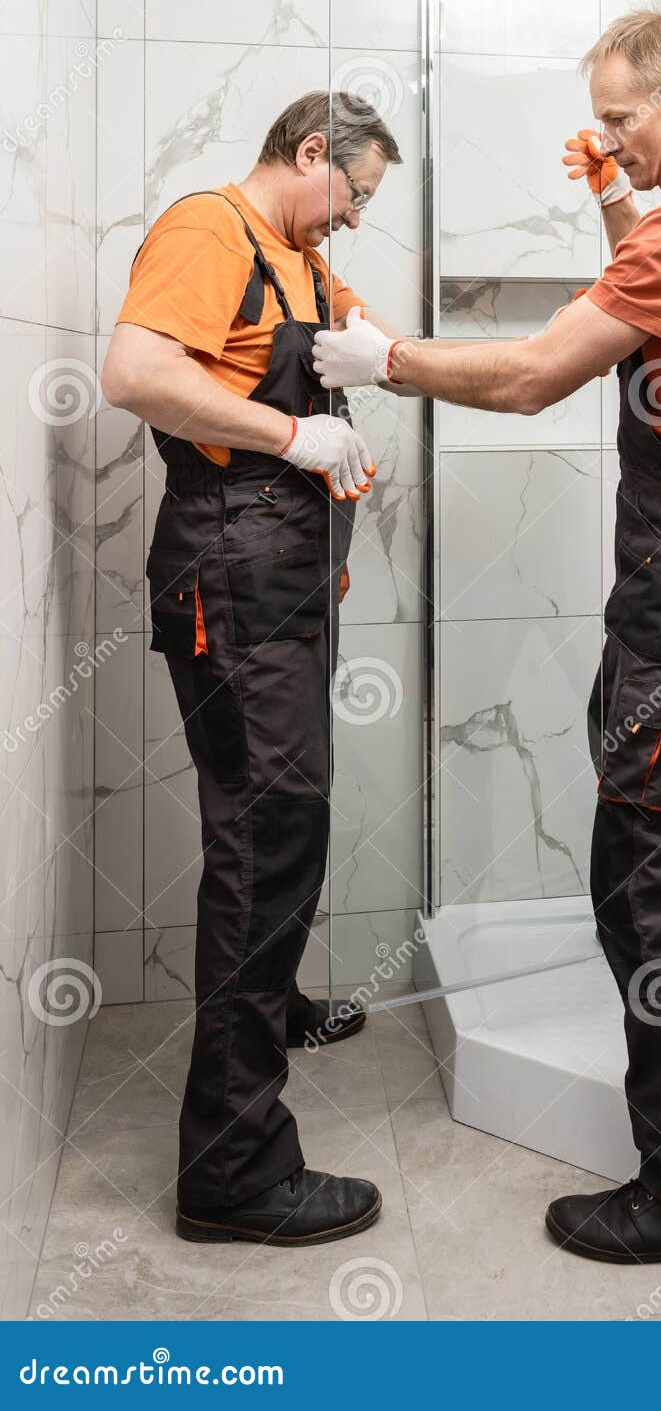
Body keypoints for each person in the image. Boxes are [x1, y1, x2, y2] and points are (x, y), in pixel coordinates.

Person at [310, 10, 661, 1265]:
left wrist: (389, 361)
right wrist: (608, 203)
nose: (605, 137)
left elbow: (541, 372)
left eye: (621, 117)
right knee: (641, 772)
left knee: (635, 875)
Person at [101, 91, 405, 1248]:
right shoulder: (208, 229)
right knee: (266, 833)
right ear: (310, 151)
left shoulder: (298, 260)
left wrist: (373, 372)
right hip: (230, 575)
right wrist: (291, 434)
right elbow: (133, 371)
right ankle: (231, 1168)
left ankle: (270, 1003)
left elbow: (374, 347)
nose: (355, 218)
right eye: (355, 193)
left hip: (281, 585)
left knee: (282, 815)